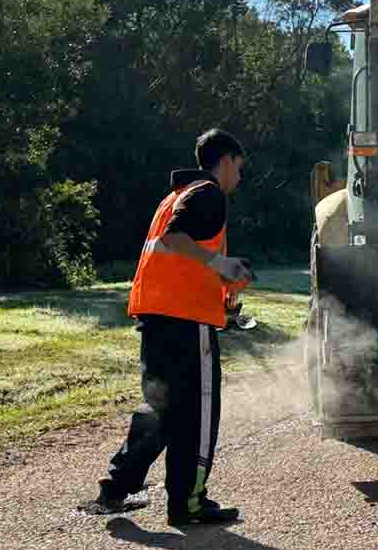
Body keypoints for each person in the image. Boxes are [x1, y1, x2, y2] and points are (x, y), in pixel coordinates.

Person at [85, 129, 254, 526]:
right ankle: (188, 503)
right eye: (239, 168)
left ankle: (116, 487)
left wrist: (221, 292)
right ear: (225, 160)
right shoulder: (208, 193)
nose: (239, 179)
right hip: (185, 323)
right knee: (197, 416)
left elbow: (177, 258)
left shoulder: (175, 196)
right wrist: (222, 267)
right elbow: (175, 238)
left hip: (159, 318)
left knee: (162, 410)